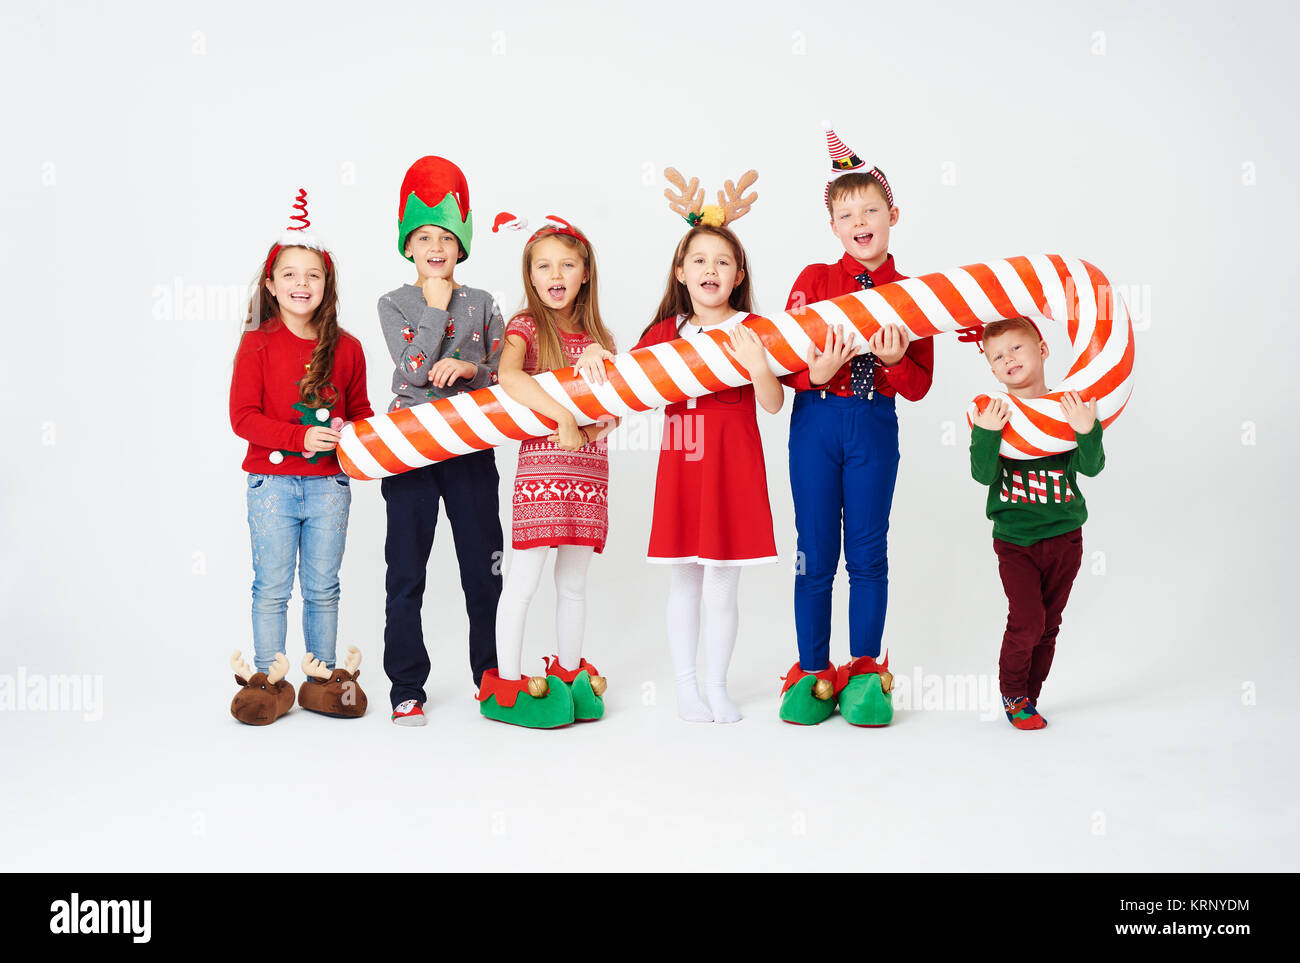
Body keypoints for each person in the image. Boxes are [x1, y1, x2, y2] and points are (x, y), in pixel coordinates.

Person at [777, 125, 933, 727]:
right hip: (816, 423)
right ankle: (812, 672)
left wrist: (893, 364)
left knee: (868, 552)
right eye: (847, 213)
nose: (860, 221)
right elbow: (780, 360)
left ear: (892, 214)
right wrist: (813, 373)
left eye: (871, 209)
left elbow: (921, 386)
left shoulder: (916, 293)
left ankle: (866, 672)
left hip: (874, 424)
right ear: (834, 226)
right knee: (814, 553)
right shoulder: (814, 281)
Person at [624, 168, 780, 723]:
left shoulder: (755, 326)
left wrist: (759, 364)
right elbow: (631, 386)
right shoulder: (669, 332)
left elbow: (773, 404)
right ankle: (685, 686)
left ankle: (717, 684)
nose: (710, 269)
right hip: (684, 462)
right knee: (685, 575)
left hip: (733, 464)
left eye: (722, 261)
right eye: (700, 260)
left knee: (723, 578)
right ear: (680, 271)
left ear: (738, 274)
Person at [228, 191, 372, 720]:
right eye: (289, 275)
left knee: (322, 586)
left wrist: (353, 435)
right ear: (271, 285)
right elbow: (243, 418)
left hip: (329, 486)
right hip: (272, 484)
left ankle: (322, 677)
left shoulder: (348, 348)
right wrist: (298, 439)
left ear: (326, 285)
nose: (300, 285)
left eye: (312, 275)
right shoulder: (257, 345)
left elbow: (360, 413)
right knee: (270, 586)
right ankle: (267, 678)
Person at [476, 215, 620, 728]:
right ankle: (510, 685)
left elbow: (612, 402)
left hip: (588, 472)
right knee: (523, 580)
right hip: (542, 469)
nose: (555, 274)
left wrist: (604, 420)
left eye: (566, 264)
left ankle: (568, 673)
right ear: (530, 275)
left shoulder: (599, 335)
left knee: (574, 584)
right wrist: (559, 415)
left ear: (585, 272)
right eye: (543, 266)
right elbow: (509, 376)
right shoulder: (525, 326)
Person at [378, 156, 506, 727]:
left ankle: (491, 673)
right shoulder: (394, 303)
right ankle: (407, 685)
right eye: (423, 236)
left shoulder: (482, 301)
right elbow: (409, 369)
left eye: (447, 237)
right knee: (407, 569)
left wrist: (469, 370)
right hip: (410, 447)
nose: (435, 246)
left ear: (463, 246)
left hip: (471, 442)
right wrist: (433, 307)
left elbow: (503, 370)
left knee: (484, 566)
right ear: (408, 245)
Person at [969, 317, 1105, 730]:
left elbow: (1092, 467)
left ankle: (1030, 694)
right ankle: (1013, 695)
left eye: (1016, 348)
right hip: (1016, 540)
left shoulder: (1067, 407)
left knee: (1049, 624)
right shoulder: (992, 412)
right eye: (997, 356)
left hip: (1065, 536)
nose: (1008, 359)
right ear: (991, 369)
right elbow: (983, 474)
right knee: (1027, 620)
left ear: (1042, 350)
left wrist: (1087, 430)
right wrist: (987, 433)